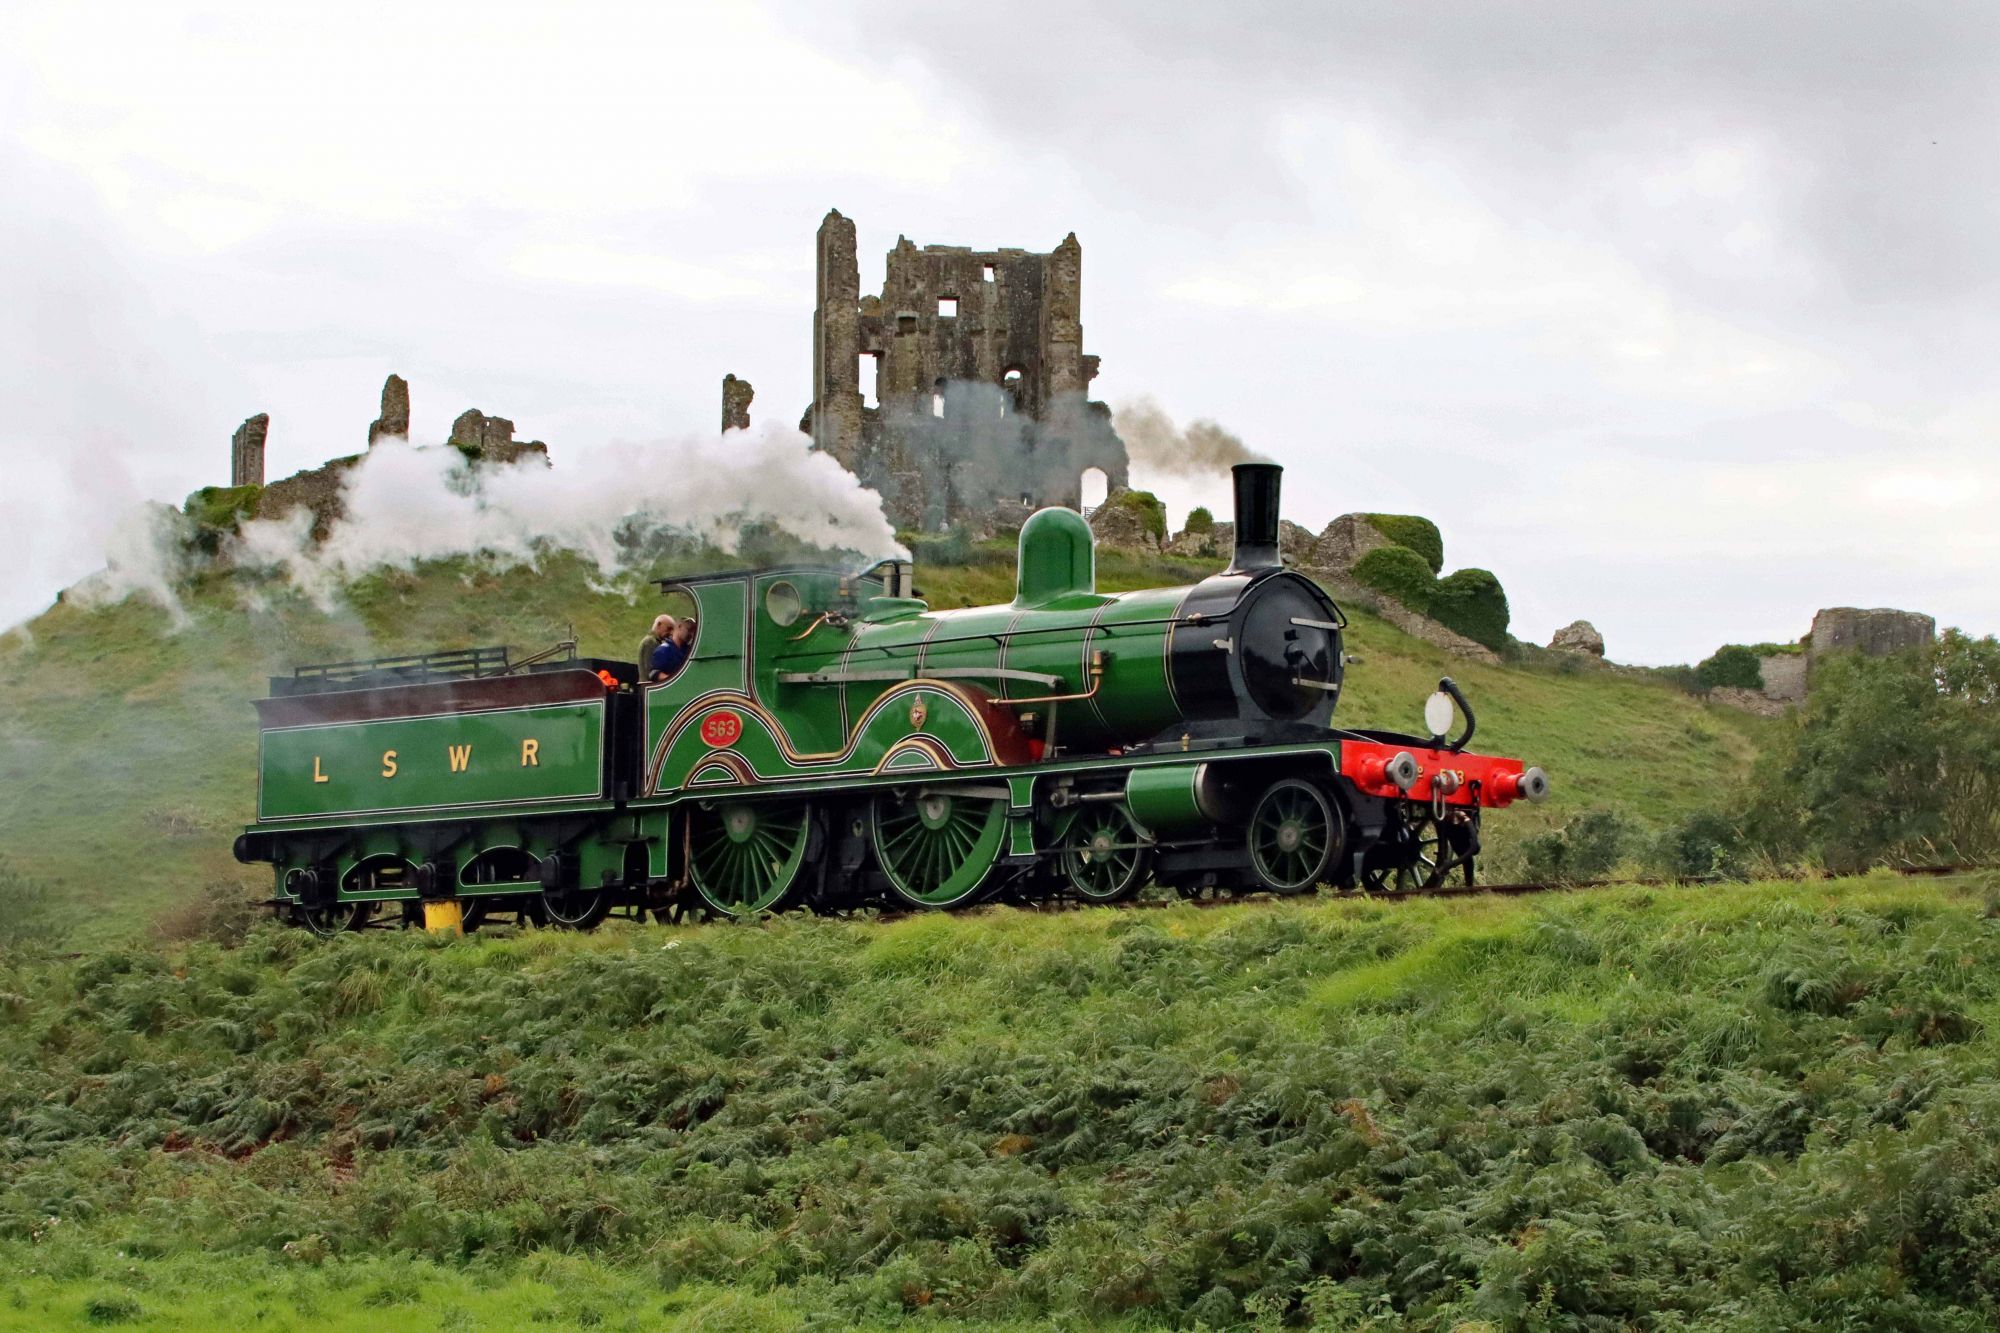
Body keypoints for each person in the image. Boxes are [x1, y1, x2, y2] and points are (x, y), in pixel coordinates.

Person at [650, 616, 695, 682]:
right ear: (680, 626)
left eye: (693, 632)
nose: (691, 635)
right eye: (689, 630)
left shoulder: (690, 650)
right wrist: (675, 679)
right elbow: (654, 674)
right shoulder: (663, 650)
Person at [639, 614, 674, 680]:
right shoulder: (650, 642)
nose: (671, 633)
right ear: (659, 624)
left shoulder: (655, 642)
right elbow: (650, 670)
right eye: (669, 628)